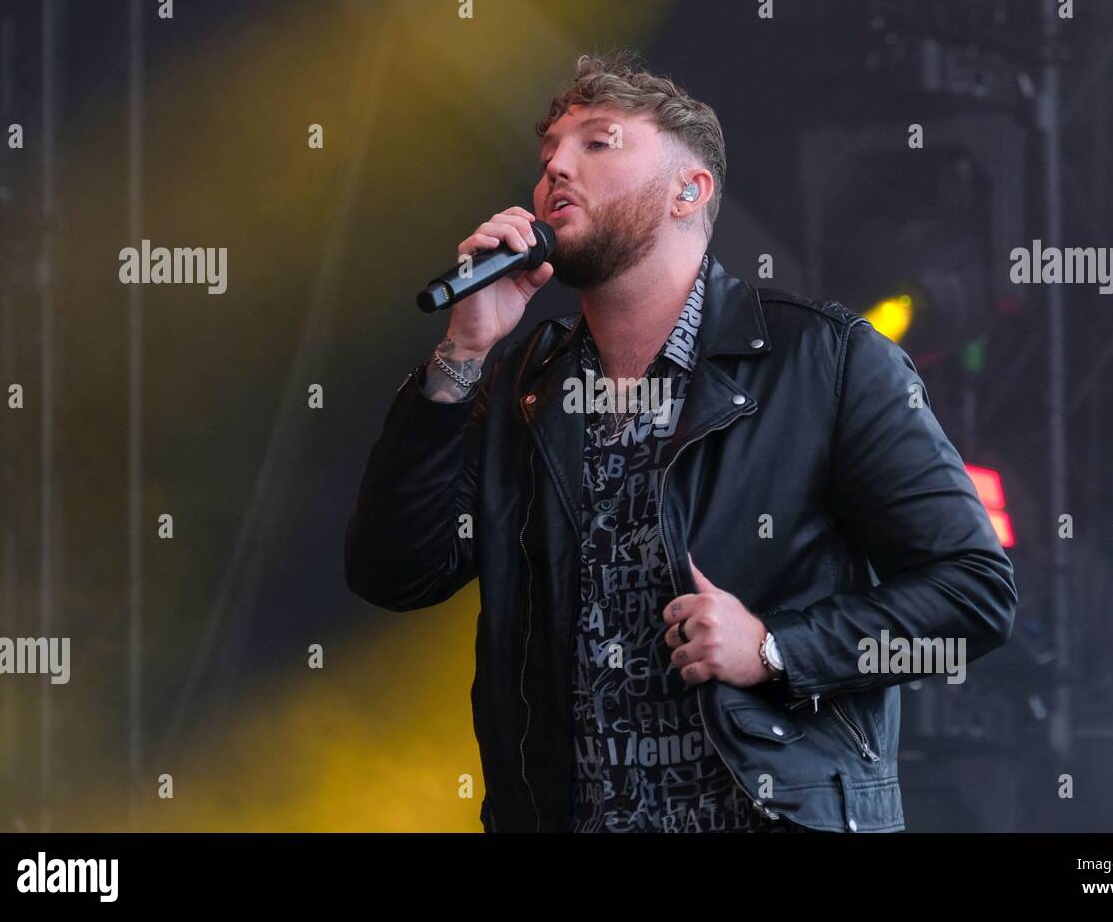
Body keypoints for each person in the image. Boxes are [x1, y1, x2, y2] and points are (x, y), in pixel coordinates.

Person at [345, 50, 1018, 833]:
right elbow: (394, 572)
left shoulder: (825, 360)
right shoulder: (523, 384)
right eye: (547, 154)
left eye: (598, 142)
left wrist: (777, 649)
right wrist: (462, 354)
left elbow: (973, 593)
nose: (556, 166)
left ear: (687, 190)